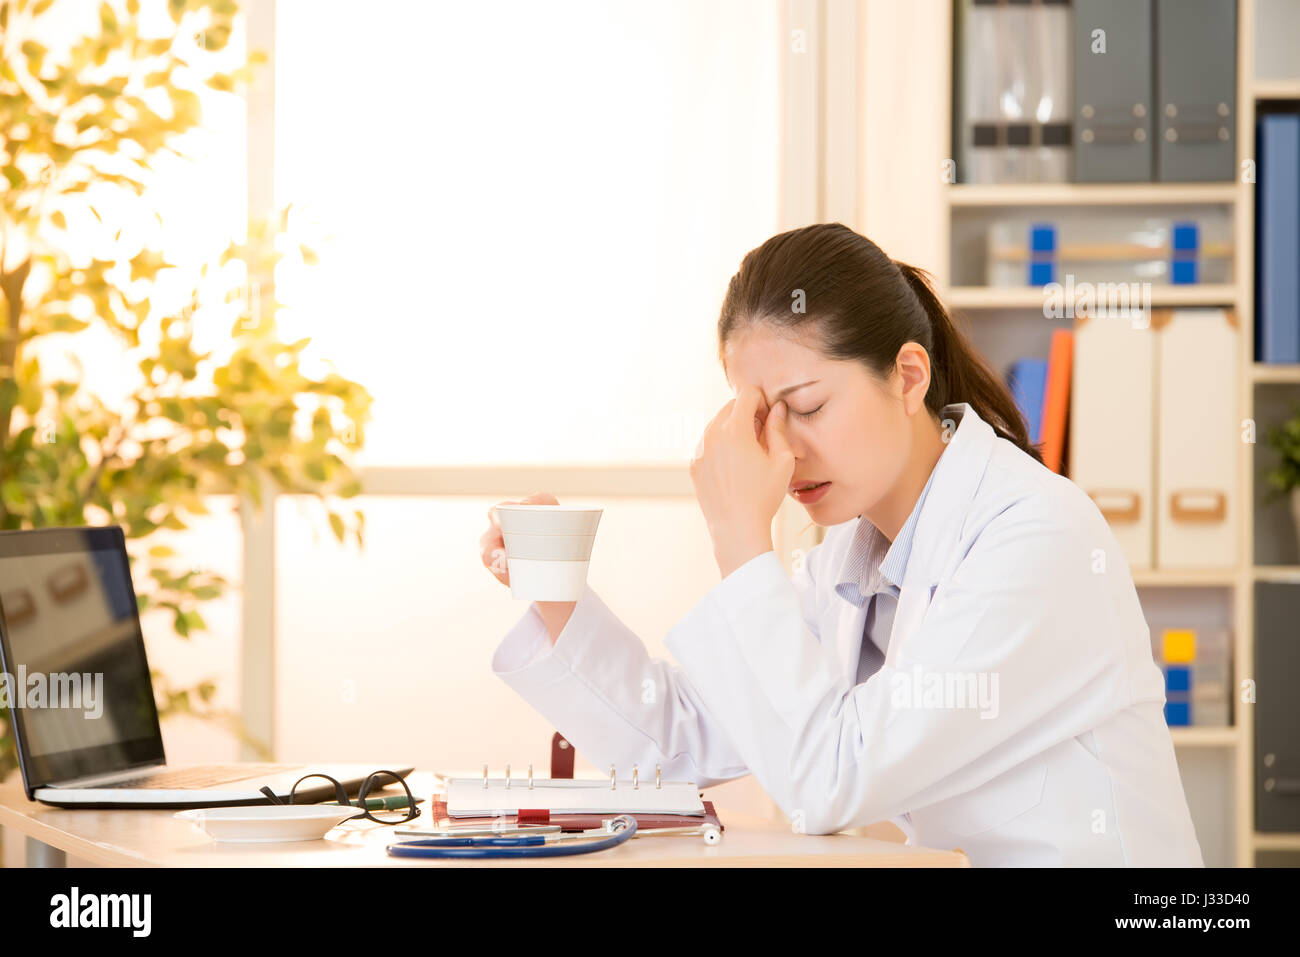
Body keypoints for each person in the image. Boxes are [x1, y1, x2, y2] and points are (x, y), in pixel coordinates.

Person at [478, 223, 1204, 867]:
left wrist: (739, 536)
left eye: (809, 406)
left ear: (908, 376)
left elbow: (831, 779)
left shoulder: (1034, 536)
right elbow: (675, 743)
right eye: (762, 421)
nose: (785, 452)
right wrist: (555, 593)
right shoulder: (852, 561)